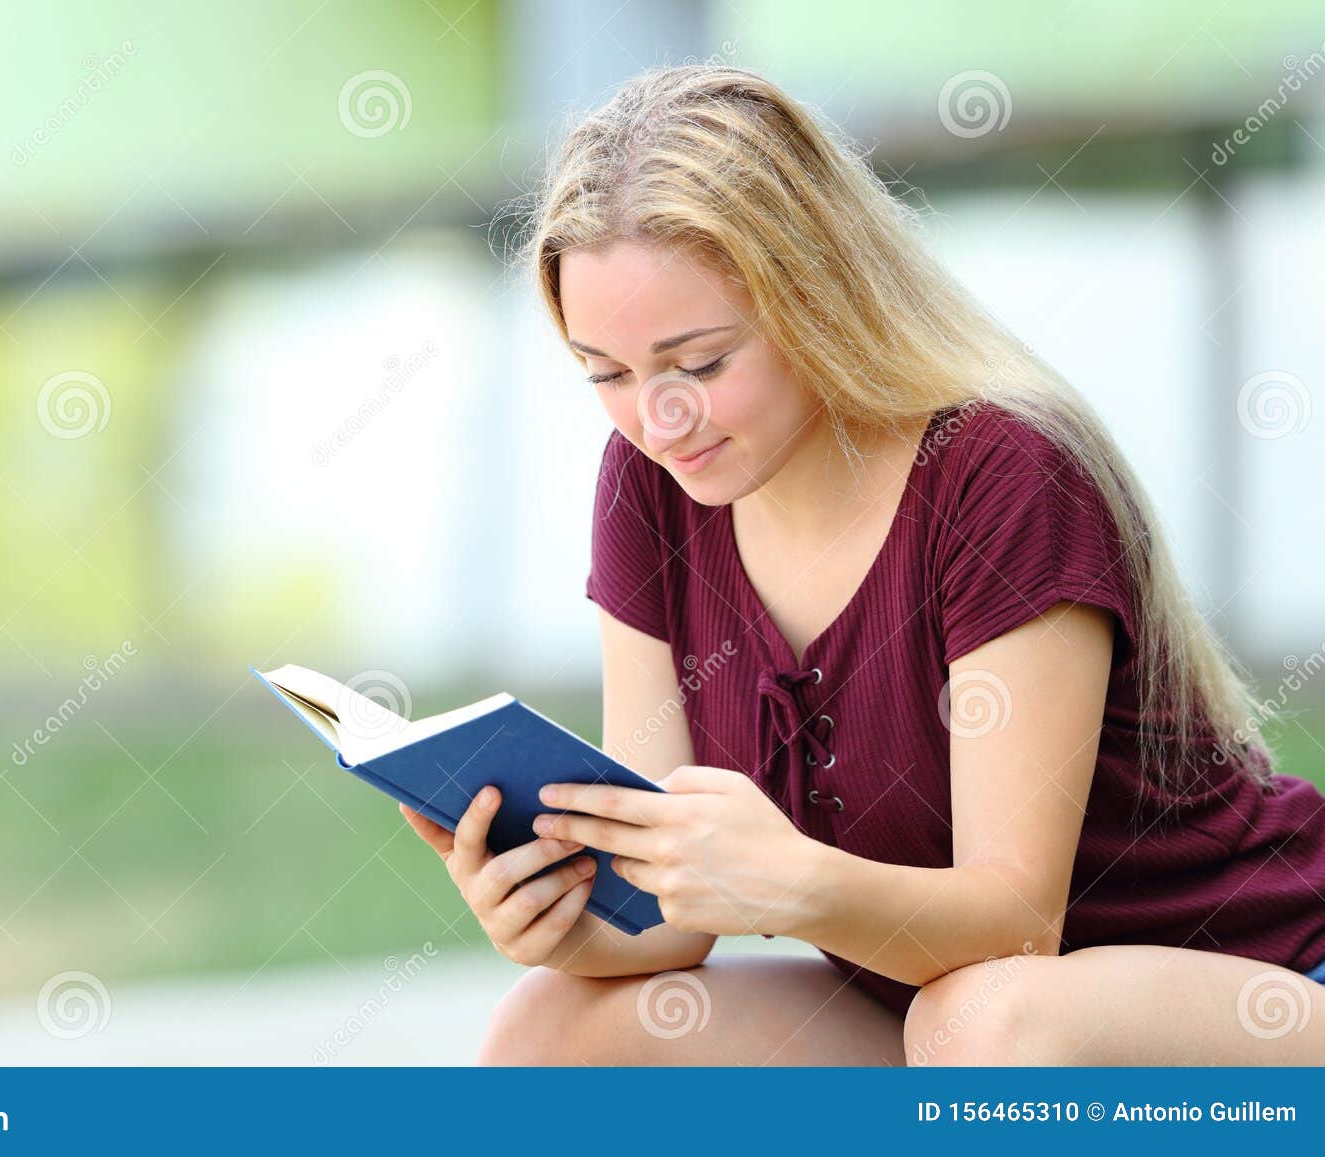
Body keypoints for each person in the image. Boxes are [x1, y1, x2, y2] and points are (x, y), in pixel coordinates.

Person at [399, 64, 1325, 1065]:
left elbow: (1016, 924)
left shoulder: (999, 474)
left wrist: (796, 879)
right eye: (608, 374)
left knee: (982, 1022)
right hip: (950, 1018)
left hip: (1259, 982)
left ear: (816, 294)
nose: (657, 418)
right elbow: (672, 915)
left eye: (701, 362)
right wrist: (553, 916)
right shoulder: (649, 486)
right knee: (553, 1029)